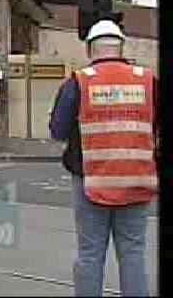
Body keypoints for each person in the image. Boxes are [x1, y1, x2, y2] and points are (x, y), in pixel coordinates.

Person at [49, 19, 158, 297]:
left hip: (90, 182)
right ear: (121, 47)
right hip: (137, 181)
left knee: (90, 254)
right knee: (133, 254)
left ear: (90, 49)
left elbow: (58, 131)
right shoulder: (147, 80)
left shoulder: (78, 82)